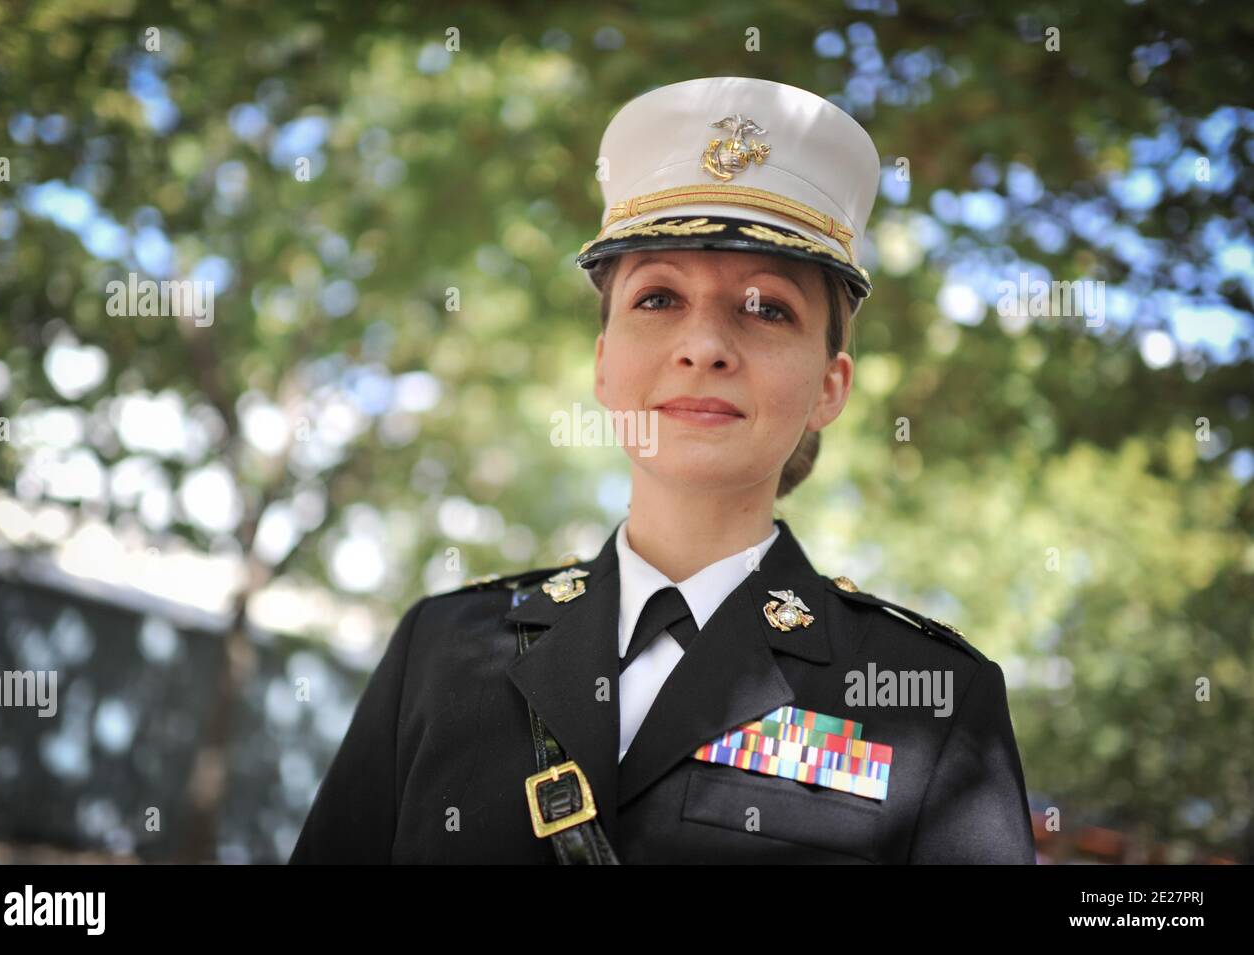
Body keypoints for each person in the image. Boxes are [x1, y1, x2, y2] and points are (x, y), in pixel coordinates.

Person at [290, 76, 1035, 864]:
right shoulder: (440, 651)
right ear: (604, 366)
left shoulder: (934, 695)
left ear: (829, 386)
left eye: (766, 307)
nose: (704, 344)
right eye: (658, 299)